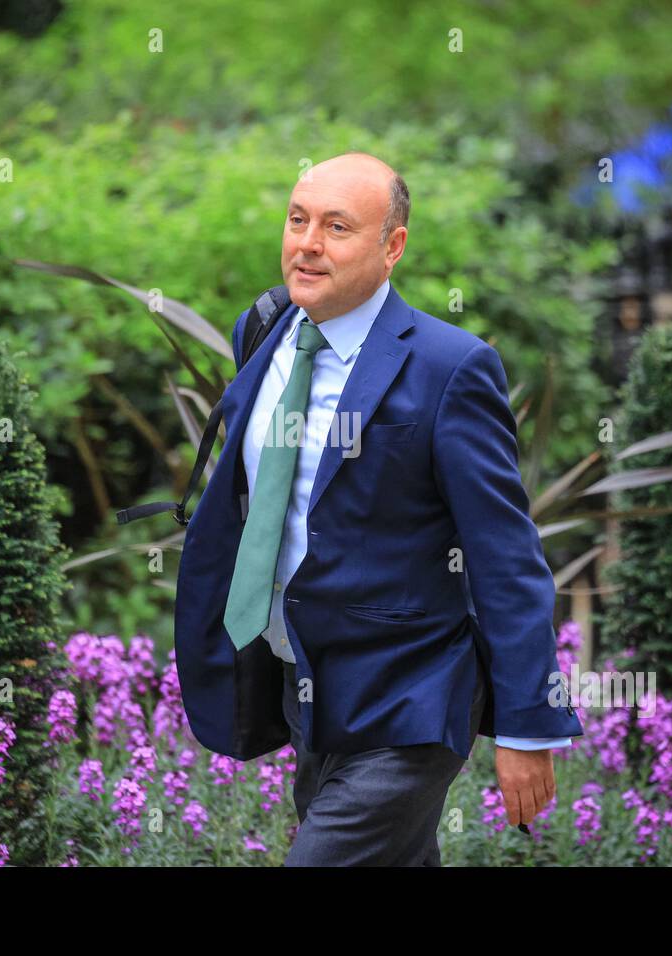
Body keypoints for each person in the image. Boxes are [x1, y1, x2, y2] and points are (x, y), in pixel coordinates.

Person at [173, 151, 583, 865]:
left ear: (391, 247)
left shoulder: (449, 368)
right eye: (298, 220)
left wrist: (528, 726)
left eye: (337, 227)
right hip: (304, 685)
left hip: (411, 700)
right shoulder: (265, 329)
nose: (307, 243)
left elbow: (505, 554)